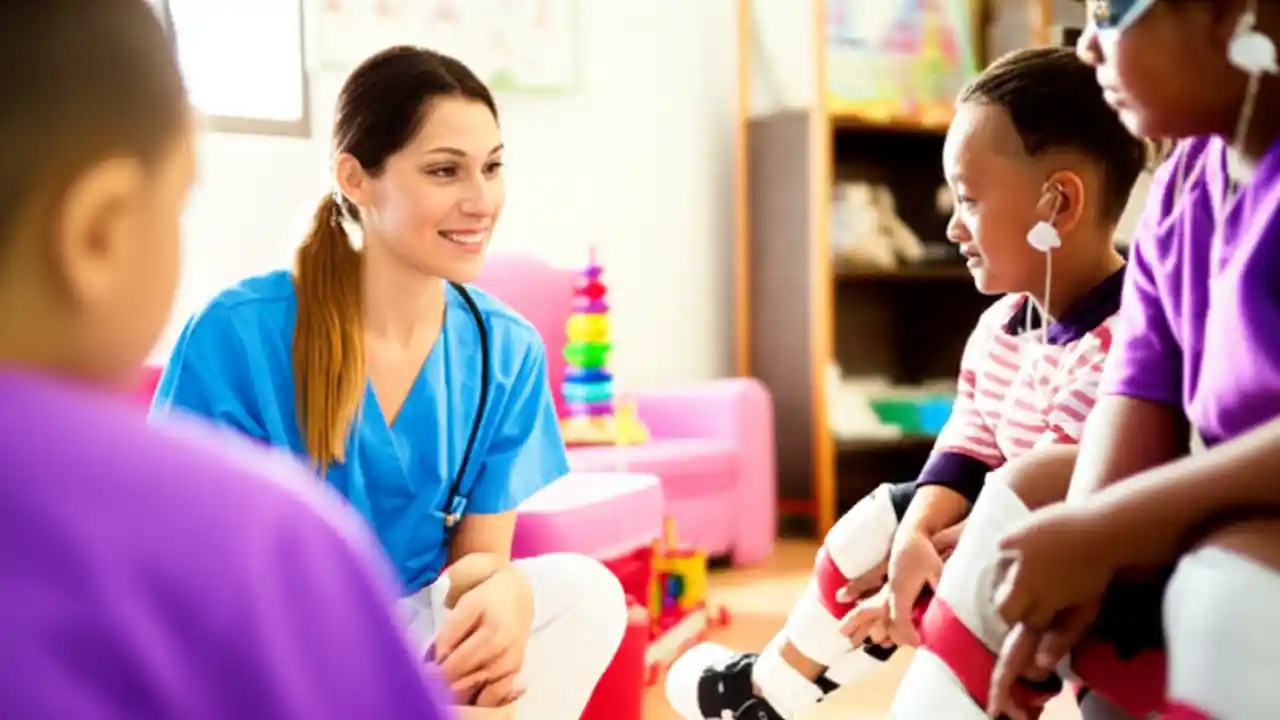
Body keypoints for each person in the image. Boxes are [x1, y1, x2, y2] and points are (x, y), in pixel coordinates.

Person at [663, 46, 1147, 720]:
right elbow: (967, 443)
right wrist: (917, 533)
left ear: (1058, 203)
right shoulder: (1003, 325)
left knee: (917, 562)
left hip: (1059, 571)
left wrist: (930, 567)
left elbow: (1060, 496)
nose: (951, 227)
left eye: (970, 201)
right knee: (882, 518)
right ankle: (773, 689)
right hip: (990, 537)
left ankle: (778, 690)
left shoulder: (1122, 342)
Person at [0, 2, 454, 718]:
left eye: (489, 167)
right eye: (179, 198)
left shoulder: (495, 342)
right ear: (99, 231)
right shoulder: (262, 544)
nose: (476, 200)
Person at [149, 45, 626, 717]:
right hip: (271, 643)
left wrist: (503, 596)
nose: (480, 199)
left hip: (406, 640)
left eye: (491, 167)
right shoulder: (237, 335)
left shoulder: (505, 351)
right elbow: (185, 574)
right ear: (356, 178)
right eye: (444, 171)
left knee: (585, 593)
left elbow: (477, 565)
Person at [979, 0, 1280, 718]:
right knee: (1023, 502)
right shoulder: (1179, 191)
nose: (1087, 47)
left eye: (1108, 12)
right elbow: (1135, 407)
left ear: (1227, 11)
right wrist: (1082, 551)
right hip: (1231, 510)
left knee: (1229, 591)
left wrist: (1106, 532)